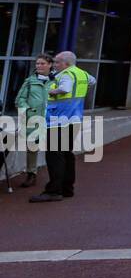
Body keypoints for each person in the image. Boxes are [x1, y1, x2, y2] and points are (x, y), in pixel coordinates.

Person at [30, 51, 93, 203]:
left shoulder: (65, 75)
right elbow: (92, 81)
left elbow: (65, 89)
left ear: (66, 63)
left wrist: (50, 91)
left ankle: (53, 191)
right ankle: (67, 189)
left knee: (54, 156)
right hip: (74, 119)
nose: (55, 65)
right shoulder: (82, 73)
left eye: (57, 62)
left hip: (59, 120)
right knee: (66, 154)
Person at [15, 53, 52, 188]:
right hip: (34, 119)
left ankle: (55, 177)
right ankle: (31, 174)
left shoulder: (56, 81)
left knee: (54, 148)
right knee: (32, 147)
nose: (39, 66)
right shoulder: (30, 81)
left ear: (50, 65)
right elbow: (20, 99)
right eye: (37, 63)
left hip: (52, 119)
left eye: (42, 63)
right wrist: (28, 110)